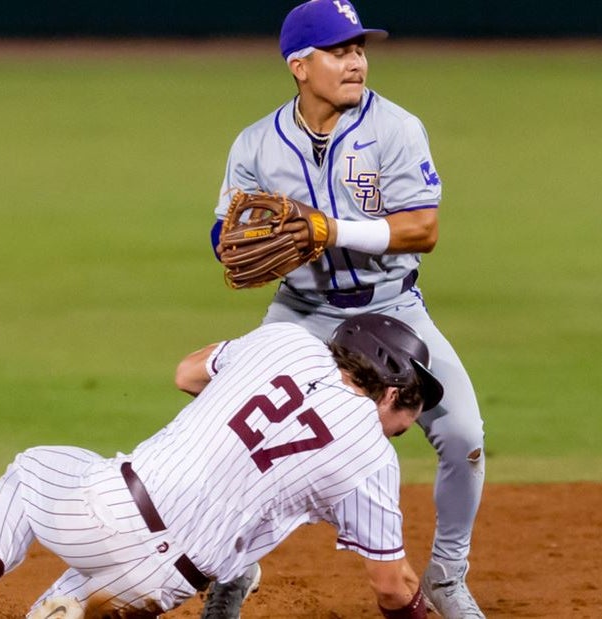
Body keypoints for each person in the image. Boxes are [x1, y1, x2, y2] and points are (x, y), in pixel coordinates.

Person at [205, 1, 486, 617]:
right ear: (299, 66)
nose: (356, 61)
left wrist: (327, 229)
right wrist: (237, 243)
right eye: (340, 50)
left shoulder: (397, 128)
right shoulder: (255, 144)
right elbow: (225, 234)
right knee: (223, 432)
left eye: (360, 48)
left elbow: (422, 229)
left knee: (464, 436)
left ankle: (447, 575)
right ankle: (230, 565)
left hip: (394, 311)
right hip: (301, 314)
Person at [0, 313, 443, 619]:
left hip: (110, 509)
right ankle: (72, 607)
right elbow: (393, 587)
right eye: (413, 411)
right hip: (165, 581)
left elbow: (188, 374)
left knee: (29, 472)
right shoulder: (371, 459)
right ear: (393, 390)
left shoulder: (285, 342)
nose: (409, 426)